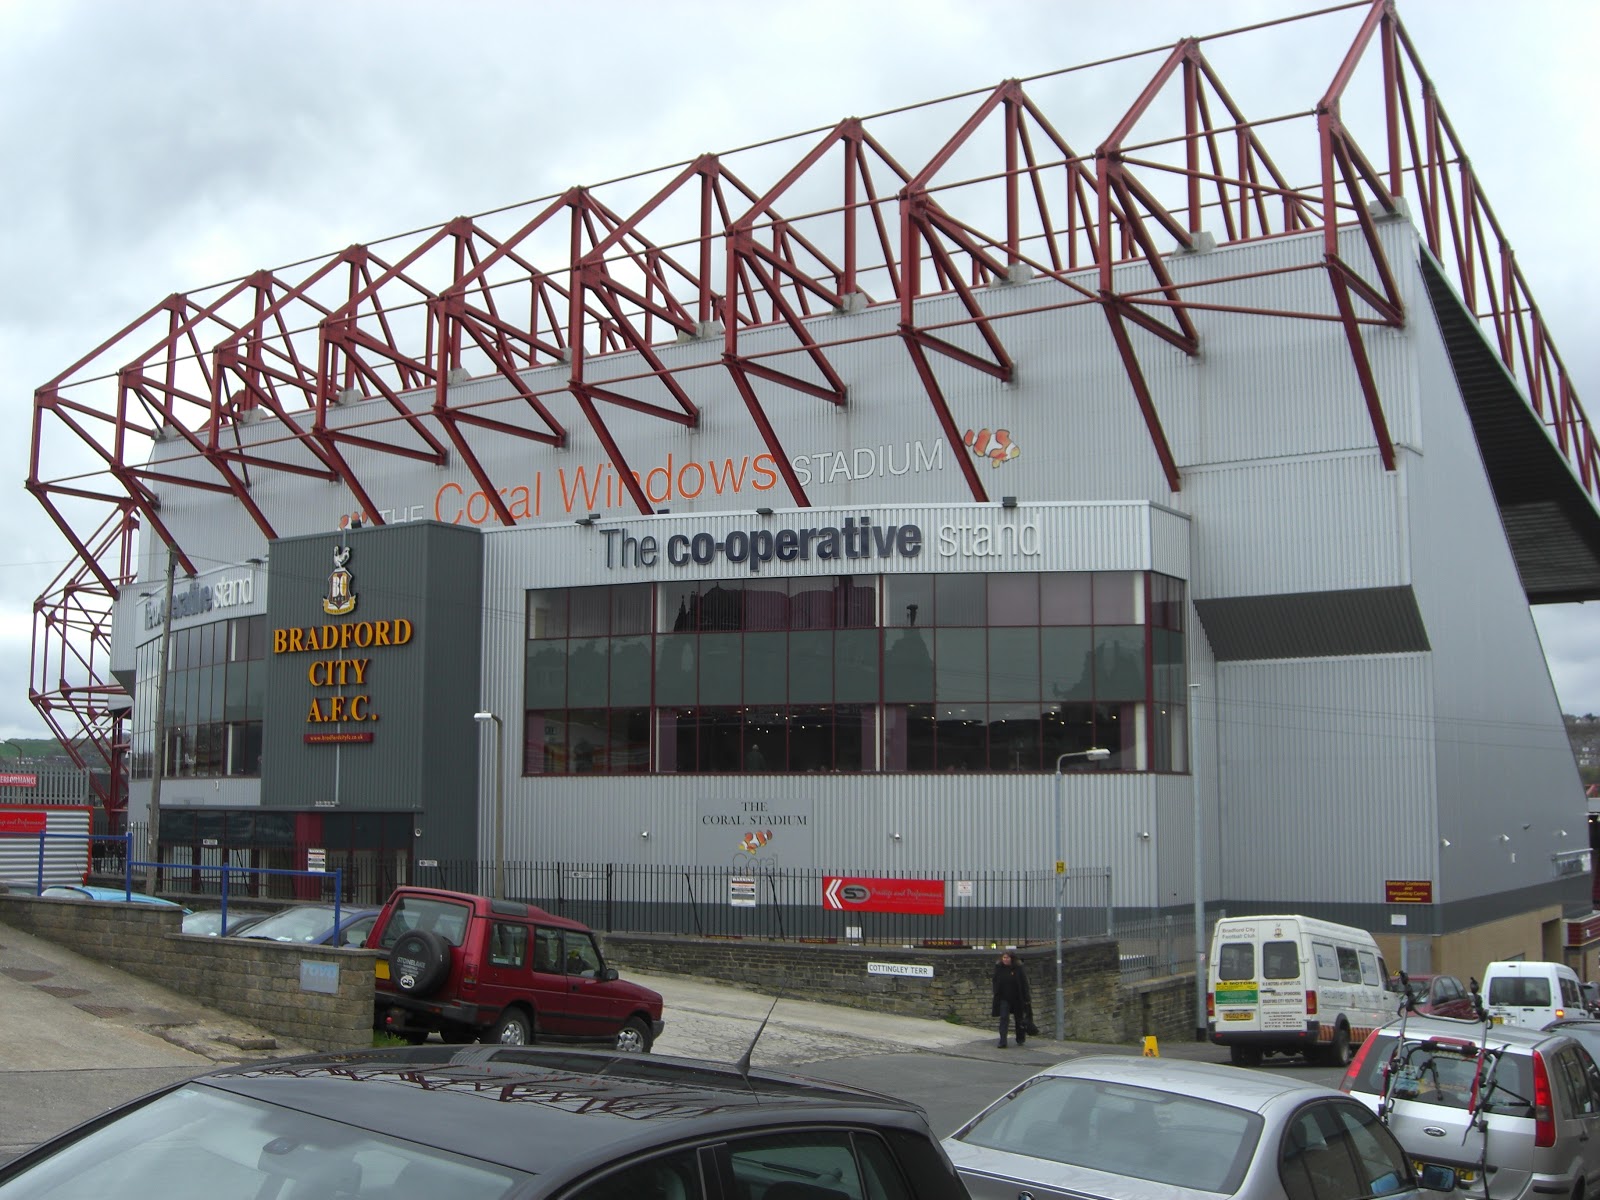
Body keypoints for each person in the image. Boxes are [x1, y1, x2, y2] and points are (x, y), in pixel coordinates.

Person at [991, 949, 1032, 1048]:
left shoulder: (1018, 968)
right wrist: (996, 993)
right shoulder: (999, 968)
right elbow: (995, 981)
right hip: (1004, 998)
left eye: (1007, 958)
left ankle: (1020, 1038)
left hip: (1017, 998)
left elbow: (1024, 983)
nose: (1005, 960)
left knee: (1019, 1019)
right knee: (1004, 1018)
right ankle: (1003, 1041)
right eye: (1004, 958)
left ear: (1011, 959)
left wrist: (1027, 998)